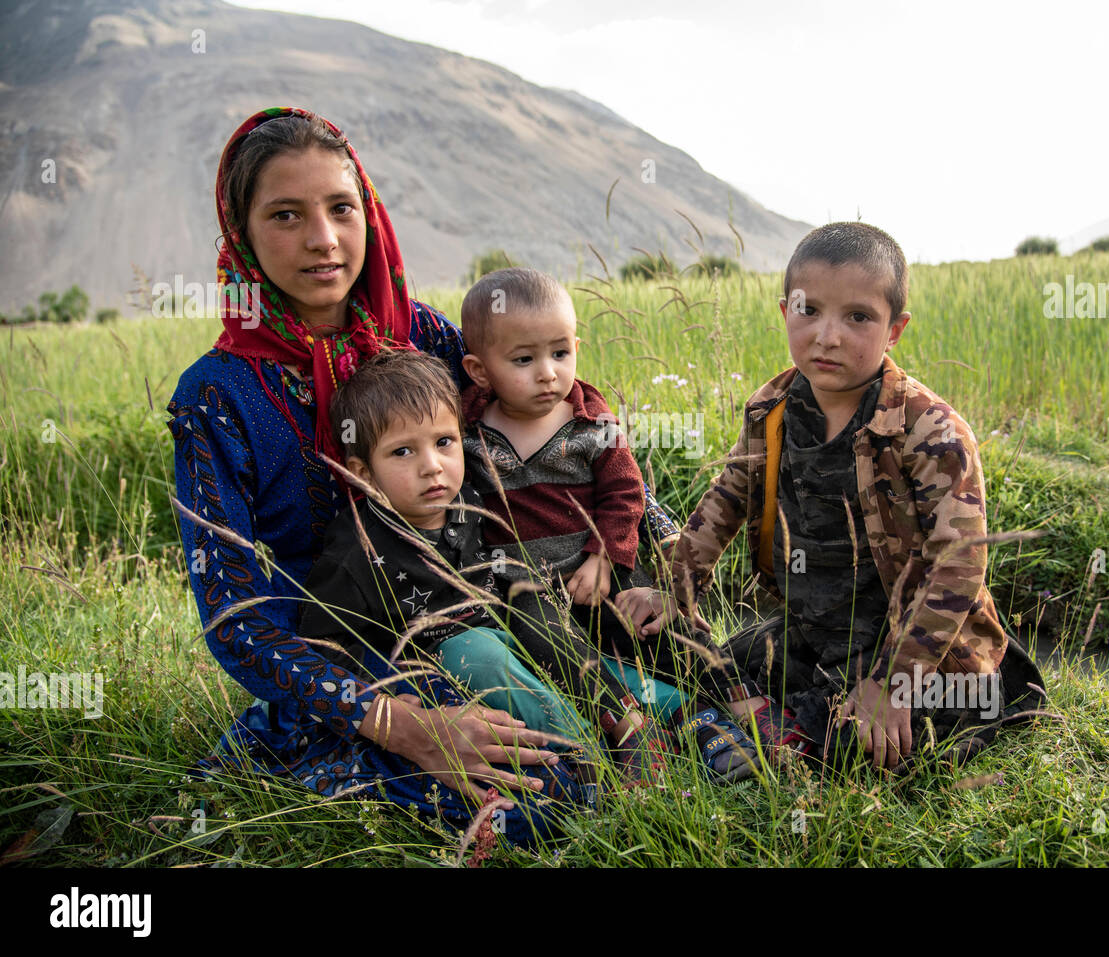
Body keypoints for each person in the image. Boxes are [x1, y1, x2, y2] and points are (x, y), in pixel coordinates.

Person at [167, 107, 677, 846]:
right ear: (241, 235)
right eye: (286, 215)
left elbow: (572, 436)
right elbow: (235, 619)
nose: (323, 239)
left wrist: (659, 548)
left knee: (665, 681)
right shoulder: (216, 397)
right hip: (344, 666)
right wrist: (403, 724)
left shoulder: (425, 337)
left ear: (368, 212)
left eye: (342, 209)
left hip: (488, 606)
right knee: (540, 783)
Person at [627, 222, 1045, 772]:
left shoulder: (929, 430)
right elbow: (728, 496)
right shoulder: (771, 408)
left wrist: (894, 686)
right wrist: (675, 588)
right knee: (691, 657)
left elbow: (958, 565)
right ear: (784, 313)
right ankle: (755, 723)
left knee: (864, 744)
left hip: (917, 647)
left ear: (894, 330)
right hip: (813, 629)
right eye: (809, 310)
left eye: (858, 317)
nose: (828, 335)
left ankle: (784, 738)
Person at [299, 347, 667, 786]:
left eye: (443, 442)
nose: (431, 467)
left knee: (551, 621)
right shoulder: (356, 549)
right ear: (363, 473)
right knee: (474, 650)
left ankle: (668, 716)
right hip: (444, 670)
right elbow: (324, 645)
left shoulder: (473, 501)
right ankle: (580, 753)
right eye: (402, 452)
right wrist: (390, 702)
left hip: (517, 635)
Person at [458, 267, 760, 782]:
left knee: (657, 623)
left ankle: (736, 707)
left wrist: (606, 555)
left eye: (560, 353)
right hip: (526, 580)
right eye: (523, 360)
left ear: (576, 345)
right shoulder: (466, 436)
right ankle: (627, 721)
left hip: (601, 562)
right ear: (480, 370)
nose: (548, 372)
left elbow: (626, 494)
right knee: (544, 637)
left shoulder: (592, 424)